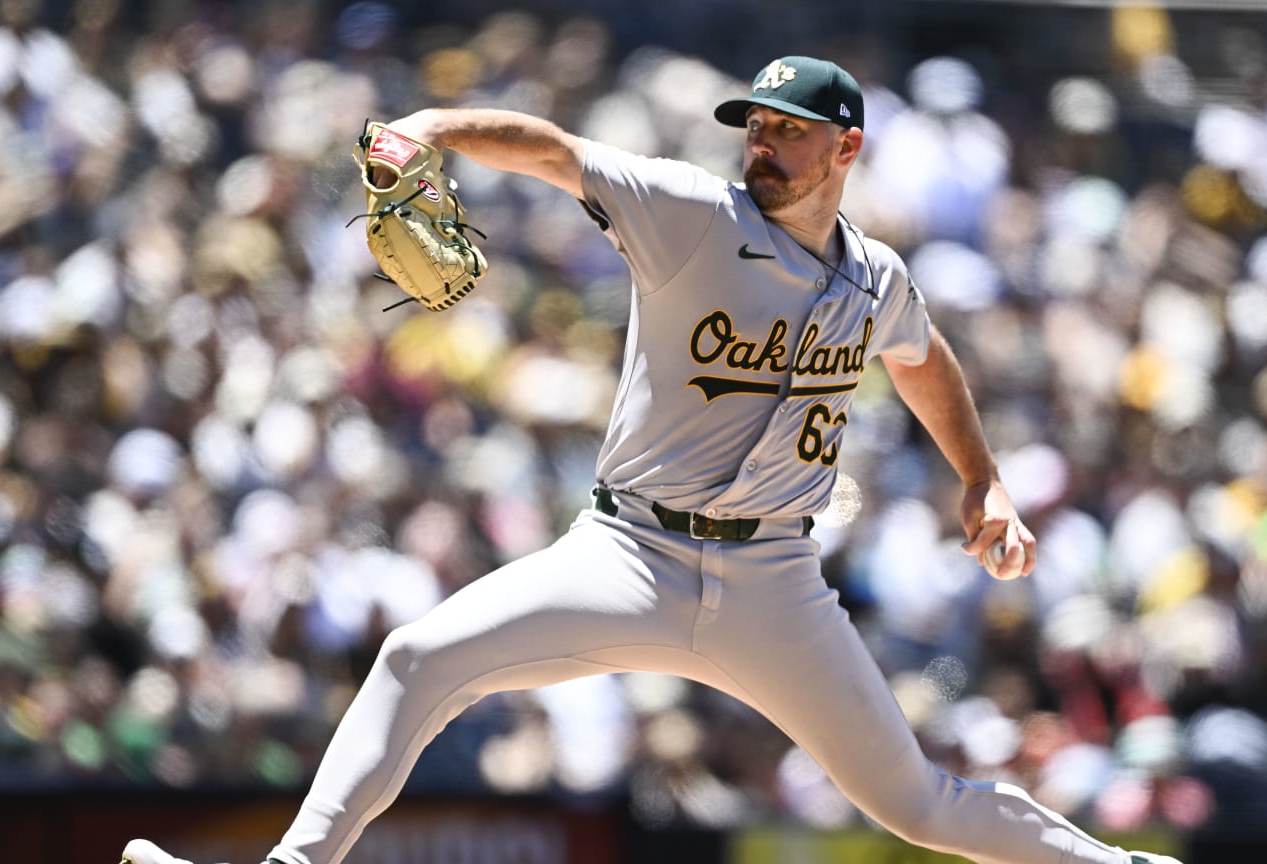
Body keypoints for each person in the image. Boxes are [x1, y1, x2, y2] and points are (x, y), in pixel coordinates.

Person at [122, 56, 1181, 864]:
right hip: (629, 552)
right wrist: (428, 127)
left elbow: (920, 355)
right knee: (417, 659)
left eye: (787, 131)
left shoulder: (877, 276)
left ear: (845, 150)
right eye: (754, 126)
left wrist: (981, 476)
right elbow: (552, 150)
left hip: (775, 582)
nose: (760, 144)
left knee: (912, 802)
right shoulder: (688, 211)